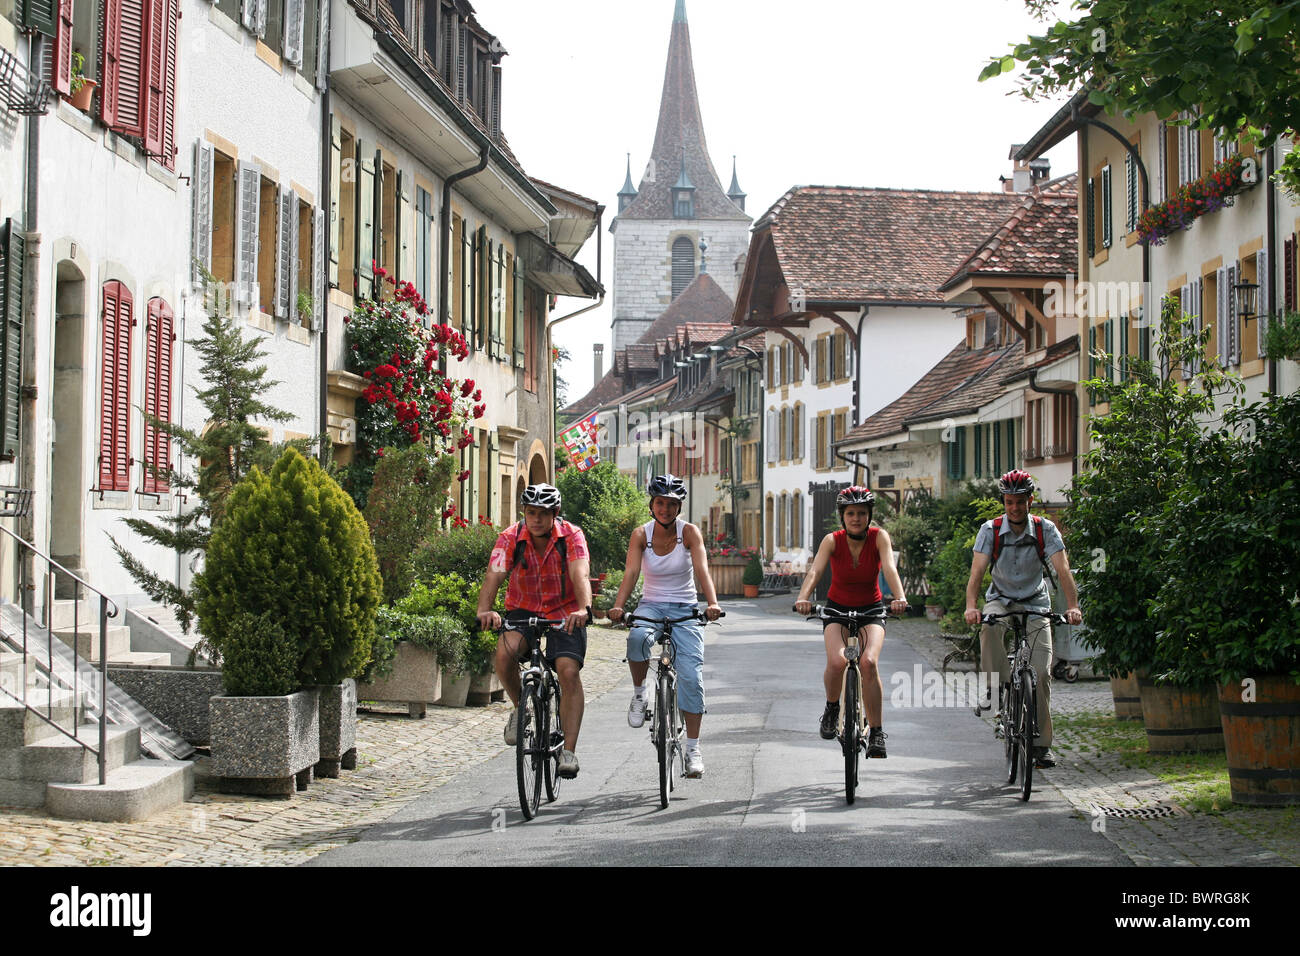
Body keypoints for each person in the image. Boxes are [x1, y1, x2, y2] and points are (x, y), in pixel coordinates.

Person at [964, 469, 1083, 769]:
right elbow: (977, 573)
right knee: (989, 626)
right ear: (1003, 502)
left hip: (1035, 603)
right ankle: (995, 689)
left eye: (1020, 502)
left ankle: (1041, 747)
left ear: (1031, 501)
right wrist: (971, 606)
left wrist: (1073, 606)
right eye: (1009, 502)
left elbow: (1062, 570)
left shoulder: (1046, 530)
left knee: (1040, 673)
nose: (1014, 508)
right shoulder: (989, 530)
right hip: (1000, 600)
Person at [607, 474, 722, 778]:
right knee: (637, 639)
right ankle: (639, 692)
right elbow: (631, 573)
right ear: (652, 505)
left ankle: (693, 749)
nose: (666, 509)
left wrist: (711, 604)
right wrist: (619, 606)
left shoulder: (690, 533)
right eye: (661, 503)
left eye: (672, 504)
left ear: (679, 507)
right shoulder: (640, 535)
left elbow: (702, 570)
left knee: (692, 677)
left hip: (686, 607)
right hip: (651, 605)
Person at [477, 483, 593, 779]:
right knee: (504, 656)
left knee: (567, 671)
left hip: (565, 611)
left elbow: (580, 573)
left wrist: (584, 609)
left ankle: (569, 750)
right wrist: (485, 610)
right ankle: (521, 708)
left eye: (543, 513)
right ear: (524, 513)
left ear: (555, 513)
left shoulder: (572, 536)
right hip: (524, 608)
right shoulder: (510, 538)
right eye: (531, 513)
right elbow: (494, 575)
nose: (536, 519)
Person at [794, 486, 908, 758]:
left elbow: (890, 569)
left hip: (871, 610)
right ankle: (832, 709)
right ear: (842, 516)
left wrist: (900, 597)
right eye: (850, 513)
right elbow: (816, 571)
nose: (856, 518)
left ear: (869, 516)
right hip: (837, 610)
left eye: (862, 513)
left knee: (868, 663)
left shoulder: (879, 537)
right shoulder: (832, 540)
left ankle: (877, 731)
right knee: (837, 662)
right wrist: (803, 598)